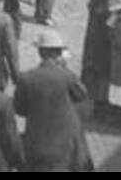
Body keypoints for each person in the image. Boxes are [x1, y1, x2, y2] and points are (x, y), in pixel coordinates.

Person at [14, 31, 93, 171]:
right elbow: (82, 95)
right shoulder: (67, 76)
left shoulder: (26, 78)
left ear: (40, 52)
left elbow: (19, 109)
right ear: (58, 53)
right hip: (64, 144)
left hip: (36, 140)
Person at [81, 0, 119, 111]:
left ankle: (98, 105)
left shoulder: (95, 5)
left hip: (95, 46)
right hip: (103, 47)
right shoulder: (107, 9)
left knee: (97, 78)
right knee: (104, 78)